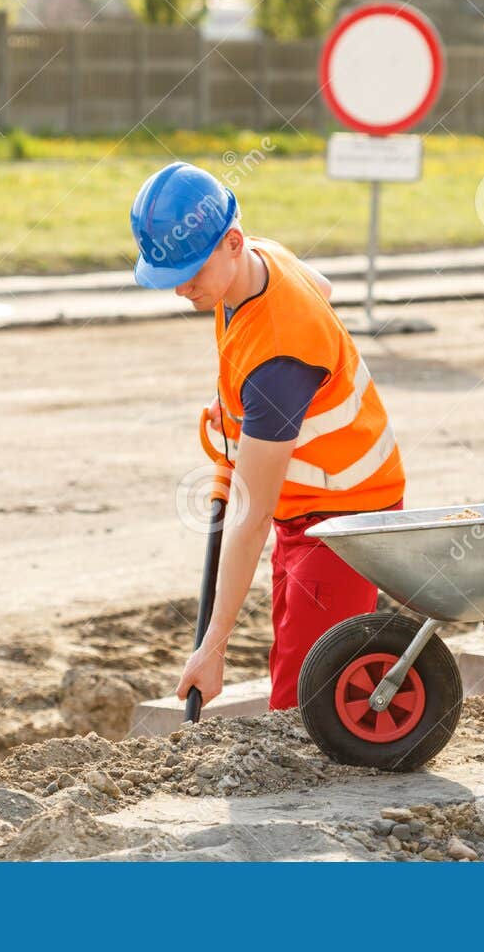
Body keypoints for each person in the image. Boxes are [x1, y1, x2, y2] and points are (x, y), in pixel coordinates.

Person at [129, 162, 406, 712]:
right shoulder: (260, 258)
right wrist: (238, 407)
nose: (182, 288)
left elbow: (250, 518)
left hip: (344, 522)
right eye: (170, 275)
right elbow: (321, 288)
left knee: (306, 701)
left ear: (231, 243)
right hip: (307, 507)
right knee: (295, 658)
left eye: (189, 271)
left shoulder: (279, 362)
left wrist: (212, 647)